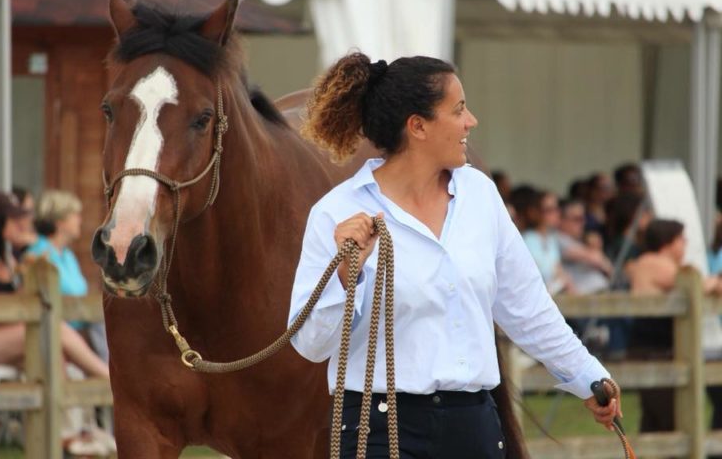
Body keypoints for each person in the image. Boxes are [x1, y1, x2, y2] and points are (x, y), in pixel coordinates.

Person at [288, 53, 619, 458]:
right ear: (418, 126)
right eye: (459, 109)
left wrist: (588, 377)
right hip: (378, 431)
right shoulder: (335, 213)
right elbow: (310, 344)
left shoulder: (480, 195)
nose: (471, 121)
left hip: (473, 425)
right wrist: (345, 276)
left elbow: (526, 307)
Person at [0, 191, 109, 379]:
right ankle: (108, 381)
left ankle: (66, 406)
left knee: (51, 353)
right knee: (54, 331)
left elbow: (17, 301)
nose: (19, 224)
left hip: (0, 335)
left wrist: (26, 279)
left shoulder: (6, 258)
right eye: (11, 219)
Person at [627, 219, 721, 432]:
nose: (685, 243)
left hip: (661, 350)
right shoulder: (652, 261)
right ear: (668, 241)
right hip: (651, 351)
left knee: (656, 422)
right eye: (681, 239)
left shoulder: (663, 264)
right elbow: (693, 285)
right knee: (669, 419)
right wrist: (715, 282)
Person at [25, 190, 109, 362]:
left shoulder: (67, 255)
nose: (80, 219)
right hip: (56, 336)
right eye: (75, 214)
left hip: (82, 331)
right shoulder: (38, 254)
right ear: (60, 221)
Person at [521, 190, 574, 295]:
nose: (556, 213)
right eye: (549, 210)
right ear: (534, 212)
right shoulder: (527, 240)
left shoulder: (551, 239)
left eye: (557, 209)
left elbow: (558, 271)